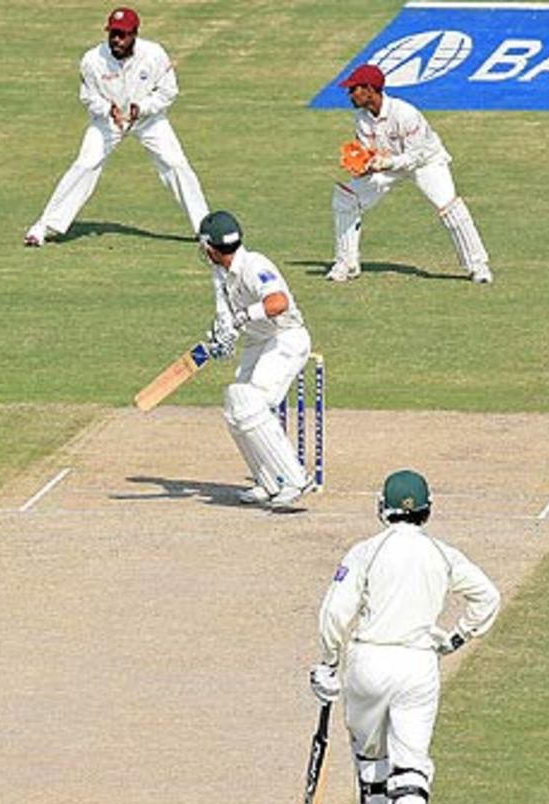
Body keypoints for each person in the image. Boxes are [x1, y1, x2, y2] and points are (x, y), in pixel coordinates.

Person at [309, 470, 500, 804]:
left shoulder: (365, 551)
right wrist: (456, 637)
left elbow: (335, 612)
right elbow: (487, 596)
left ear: (383, 508)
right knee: (411, 759)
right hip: (418, 664)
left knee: (371, 758)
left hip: (369, 662)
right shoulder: (442, 553)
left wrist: (327, 663)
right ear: (427, 510)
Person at [23, 7, 209, 247]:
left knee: (176, 163)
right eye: (113, 34)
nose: (116, 40)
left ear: (135, 34)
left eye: (122, 35)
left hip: (148, 120)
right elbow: (88, 97)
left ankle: (205, 229)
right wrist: (107, 109)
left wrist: (142, 108)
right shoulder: (92, 60)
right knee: (85, 164)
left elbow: (168, 91)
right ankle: (44, 227)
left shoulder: (154, 54)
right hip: (108, 122)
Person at [327, 63, 492, 285]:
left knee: (450, 208)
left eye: (353, 89)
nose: (349, 94)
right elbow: (369, 153)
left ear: (369, 89)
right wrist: (363, 165)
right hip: (388, 166)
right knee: (345, 197)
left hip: (426, 163)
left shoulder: (405, 113)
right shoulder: (361, 118)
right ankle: (346, 263)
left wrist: (386, 163)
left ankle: (478, 266)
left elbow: (416, 155)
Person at [197, 210, 313, 509]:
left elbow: (278, 303)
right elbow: (226, 315)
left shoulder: (254, 264)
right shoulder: (220, 273)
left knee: (252, 404)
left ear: (209, 247)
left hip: (286, 338)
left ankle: (296, 479)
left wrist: (243, 317)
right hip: (257, 342)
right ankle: (268, 482)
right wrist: (223, 336)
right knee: (236, 407)